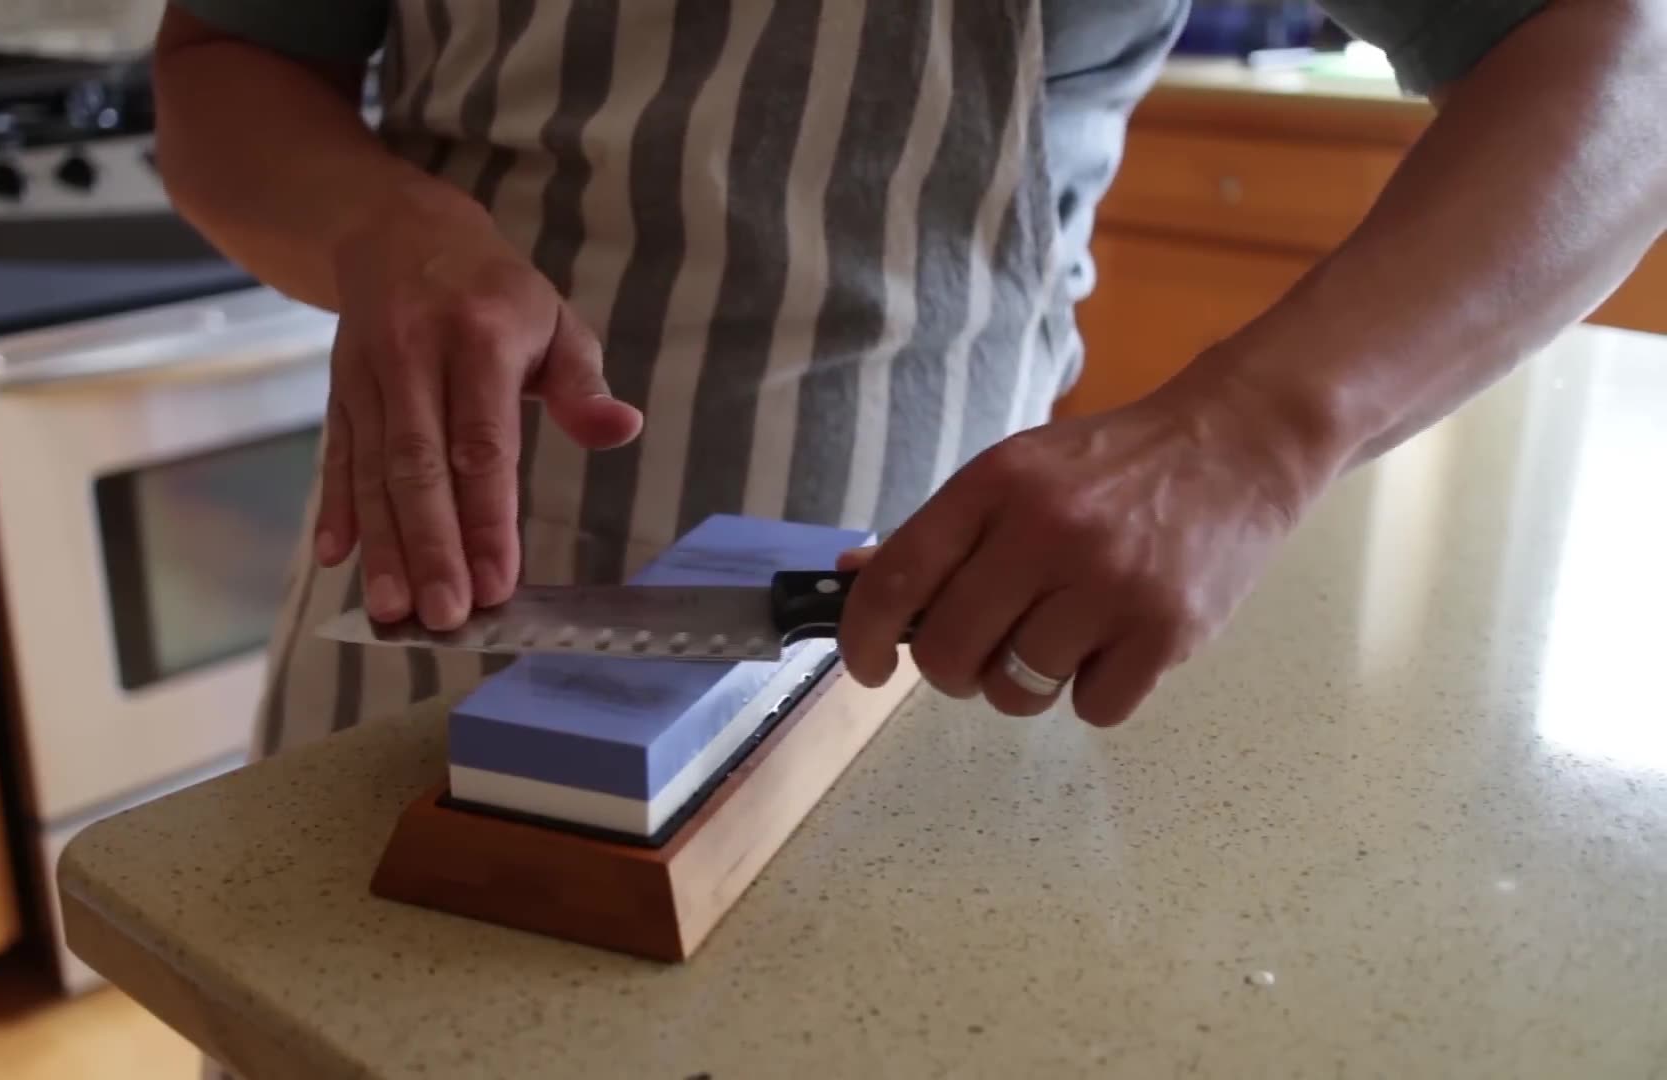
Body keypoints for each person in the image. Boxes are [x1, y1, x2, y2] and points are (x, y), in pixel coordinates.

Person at [151, 1, 1664, 752]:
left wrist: (1251, 435)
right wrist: (377, 223)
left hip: (923, 649)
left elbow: (1626, 59)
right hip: (416, 630)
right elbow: (226, 60)